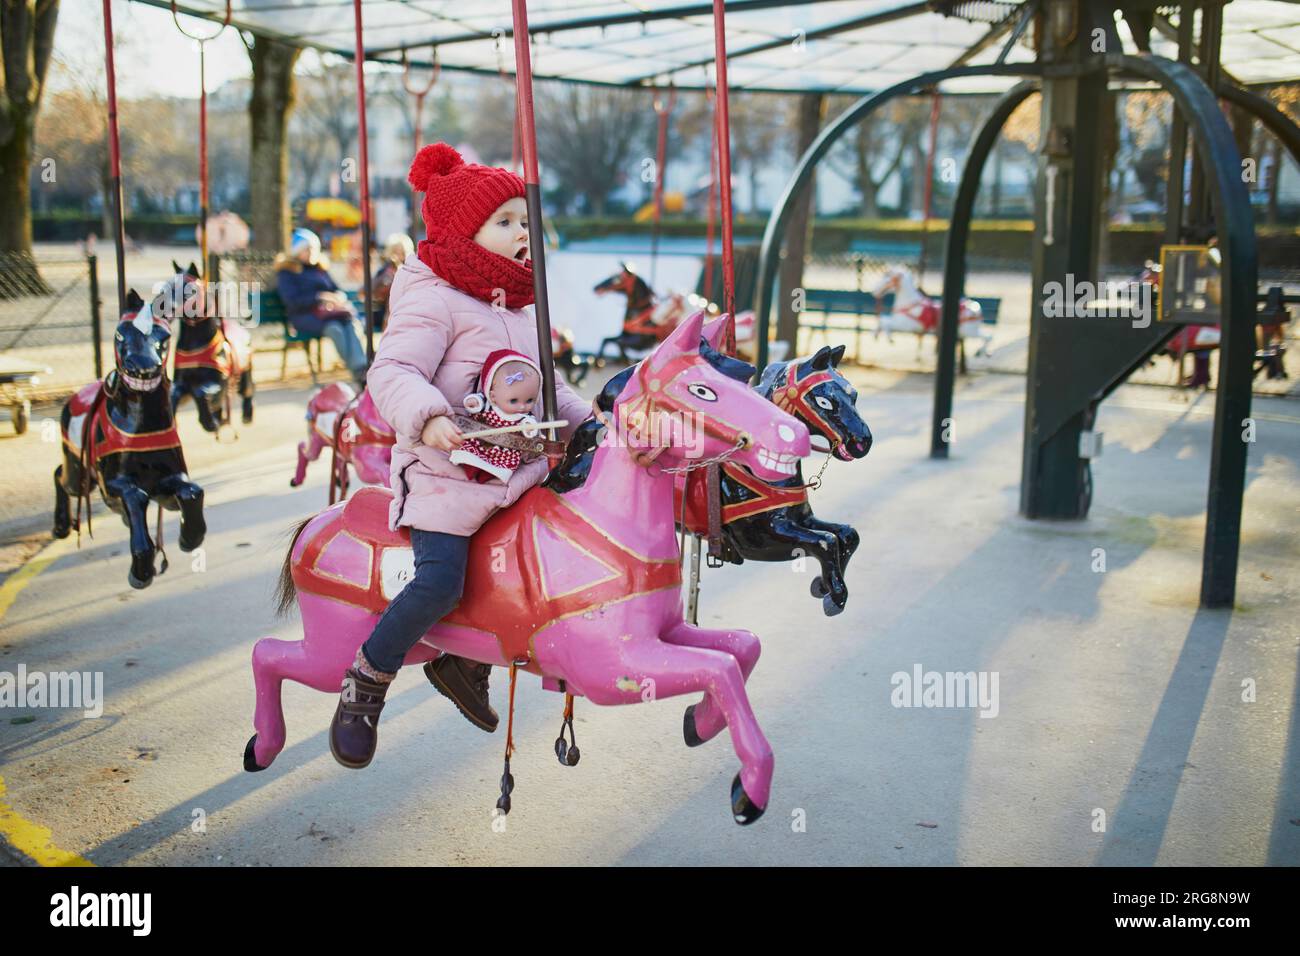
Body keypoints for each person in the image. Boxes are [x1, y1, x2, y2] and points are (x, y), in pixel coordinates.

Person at [328, 142, 593, 769]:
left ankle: (466, 655)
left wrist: (590, 422)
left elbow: (548, 385)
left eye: (524, 221)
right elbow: (392, 371)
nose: (521, 232)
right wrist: (432, 417)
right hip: (446, 473)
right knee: (440, 579)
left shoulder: (523, 306)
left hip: (518, 467)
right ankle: (366, 682)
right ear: (463, 231)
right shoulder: (433, 295)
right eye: (504, 222)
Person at [274, 228, 369, 386]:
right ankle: (359, 372)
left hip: (329, 313)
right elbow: (291, 301)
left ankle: (362, 367)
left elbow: (335, 289)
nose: (311, 252)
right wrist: (318, 298)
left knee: (351, 324)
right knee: (335, 329)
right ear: (297, 251)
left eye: (313, 248)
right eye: (307, 249)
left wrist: (337, 297)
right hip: (304, 316)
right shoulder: (287, 272)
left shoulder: (319, 269)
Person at [448, 349, 542, 483]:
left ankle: (490, 474)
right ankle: (470, 466)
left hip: (504, 450)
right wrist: (474, 402)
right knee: (469, 453)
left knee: (498, 470)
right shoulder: (490, 404)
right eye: (514, 400)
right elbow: (478, 403)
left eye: (529, 400)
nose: (522, 407)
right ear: (493, 396)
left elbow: (530, 426)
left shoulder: (523, 417)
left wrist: (529, 428)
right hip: (481, 440)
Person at [371, 233, 414, 331]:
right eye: (395, 252)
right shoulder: (385, 269)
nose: (398, 256)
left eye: (402, 252)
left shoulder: (411, 268)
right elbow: (372, 291)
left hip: (407, 310)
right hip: (386, 312)